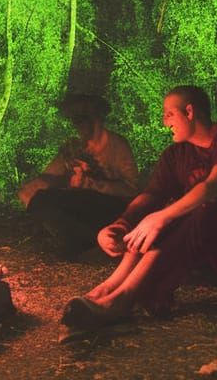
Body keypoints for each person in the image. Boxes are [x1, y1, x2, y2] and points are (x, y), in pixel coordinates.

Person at [61, 85, 217, 331]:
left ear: (189, 112)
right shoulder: (176, 155)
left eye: (169, 114)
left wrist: (162, 217)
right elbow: (151, 196)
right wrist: (121, 224)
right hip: (211, 254)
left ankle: (124, 300)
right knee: (164, 214)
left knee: (196, 210)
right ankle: (107, 289)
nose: (164, 122)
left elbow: (215, 186)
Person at [18, 92, 139, 259]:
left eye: (78, 119)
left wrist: (92, 183)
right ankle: (76, 242)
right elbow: (50, 174)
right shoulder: (76, 147)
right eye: (73, 120)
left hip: (110, 209)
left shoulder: (117, 145)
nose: (75, 125)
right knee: (42, 200)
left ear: (94, 119)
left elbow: (131, 189)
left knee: (46, 200)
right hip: (80, 205)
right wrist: (34, 187)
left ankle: (85, 243)